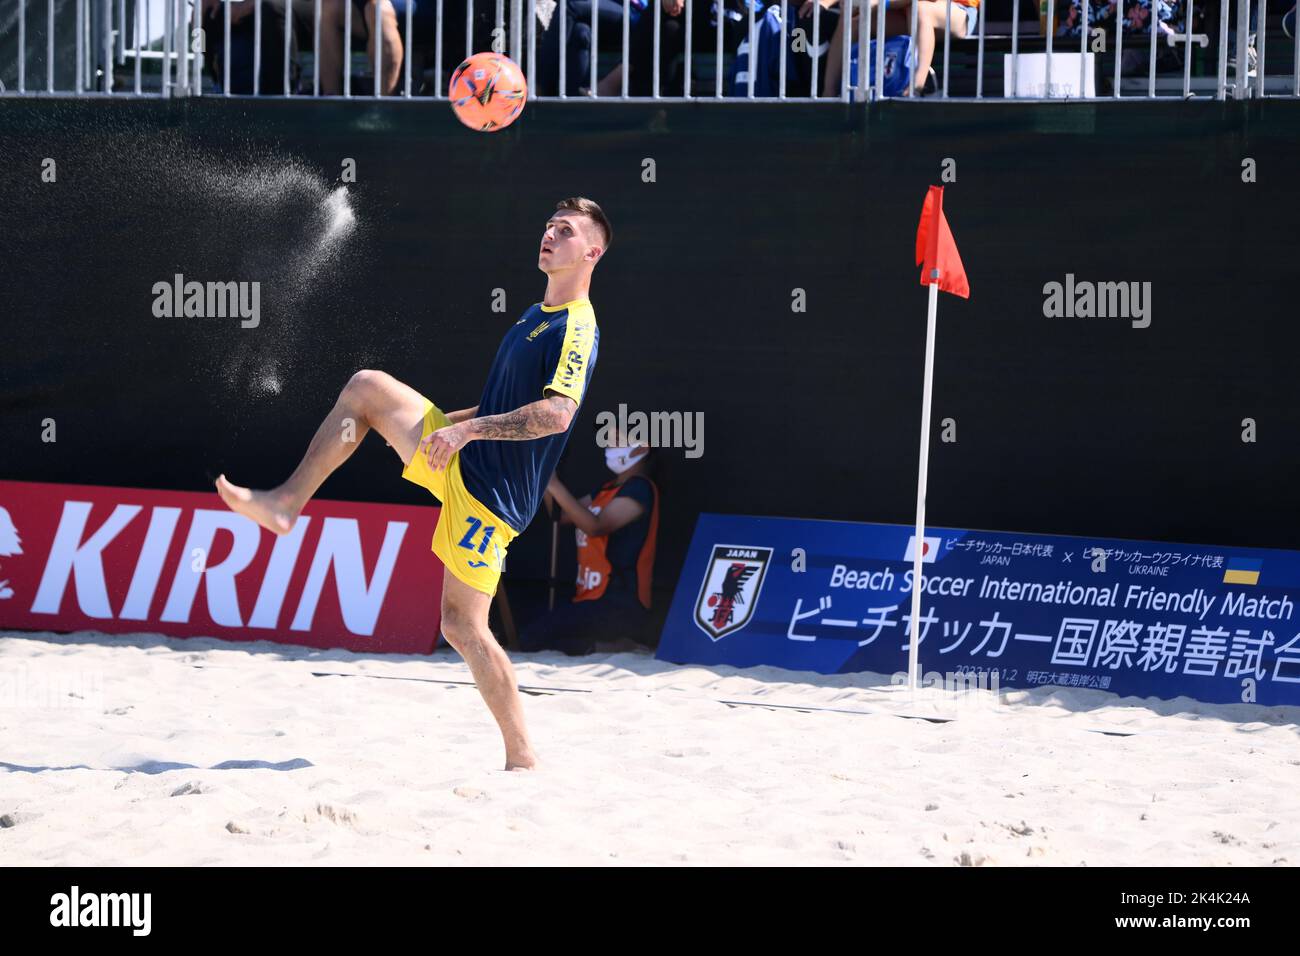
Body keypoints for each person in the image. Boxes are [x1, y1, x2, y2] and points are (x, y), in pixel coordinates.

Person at [213, 197, 611, 771]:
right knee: (367, 388)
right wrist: (448, 426)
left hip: (490, 498)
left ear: (592, 253)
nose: (550, 234)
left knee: (462, 626)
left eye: (566, 231)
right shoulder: (535, 313)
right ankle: (284, 504)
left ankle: (522, 757)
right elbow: (506, 402)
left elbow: (556, 414)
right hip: (466, 460)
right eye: (548, 224)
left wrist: (466, 432)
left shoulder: (577, 326)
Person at [521, 440, 660, 654]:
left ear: (642, 448)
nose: (611, 447)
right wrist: (547, 479)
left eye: (619, 441)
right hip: (589, 598)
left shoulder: (639, 488)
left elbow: (596, 527)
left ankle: (616, 646)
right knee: (533, 629)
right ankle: (602, 645)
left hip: (620, 600)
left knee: (534, 636)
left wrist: (555, 485)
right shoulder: (605, 490)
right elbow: (563, 516)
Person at [819, 0, 980, 97]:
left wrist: (881, 3)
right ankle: (829, 94)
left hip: (958, 11)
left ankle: (917, 86)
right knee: (852, 18)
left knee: (920, 9)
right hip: (905, 10)